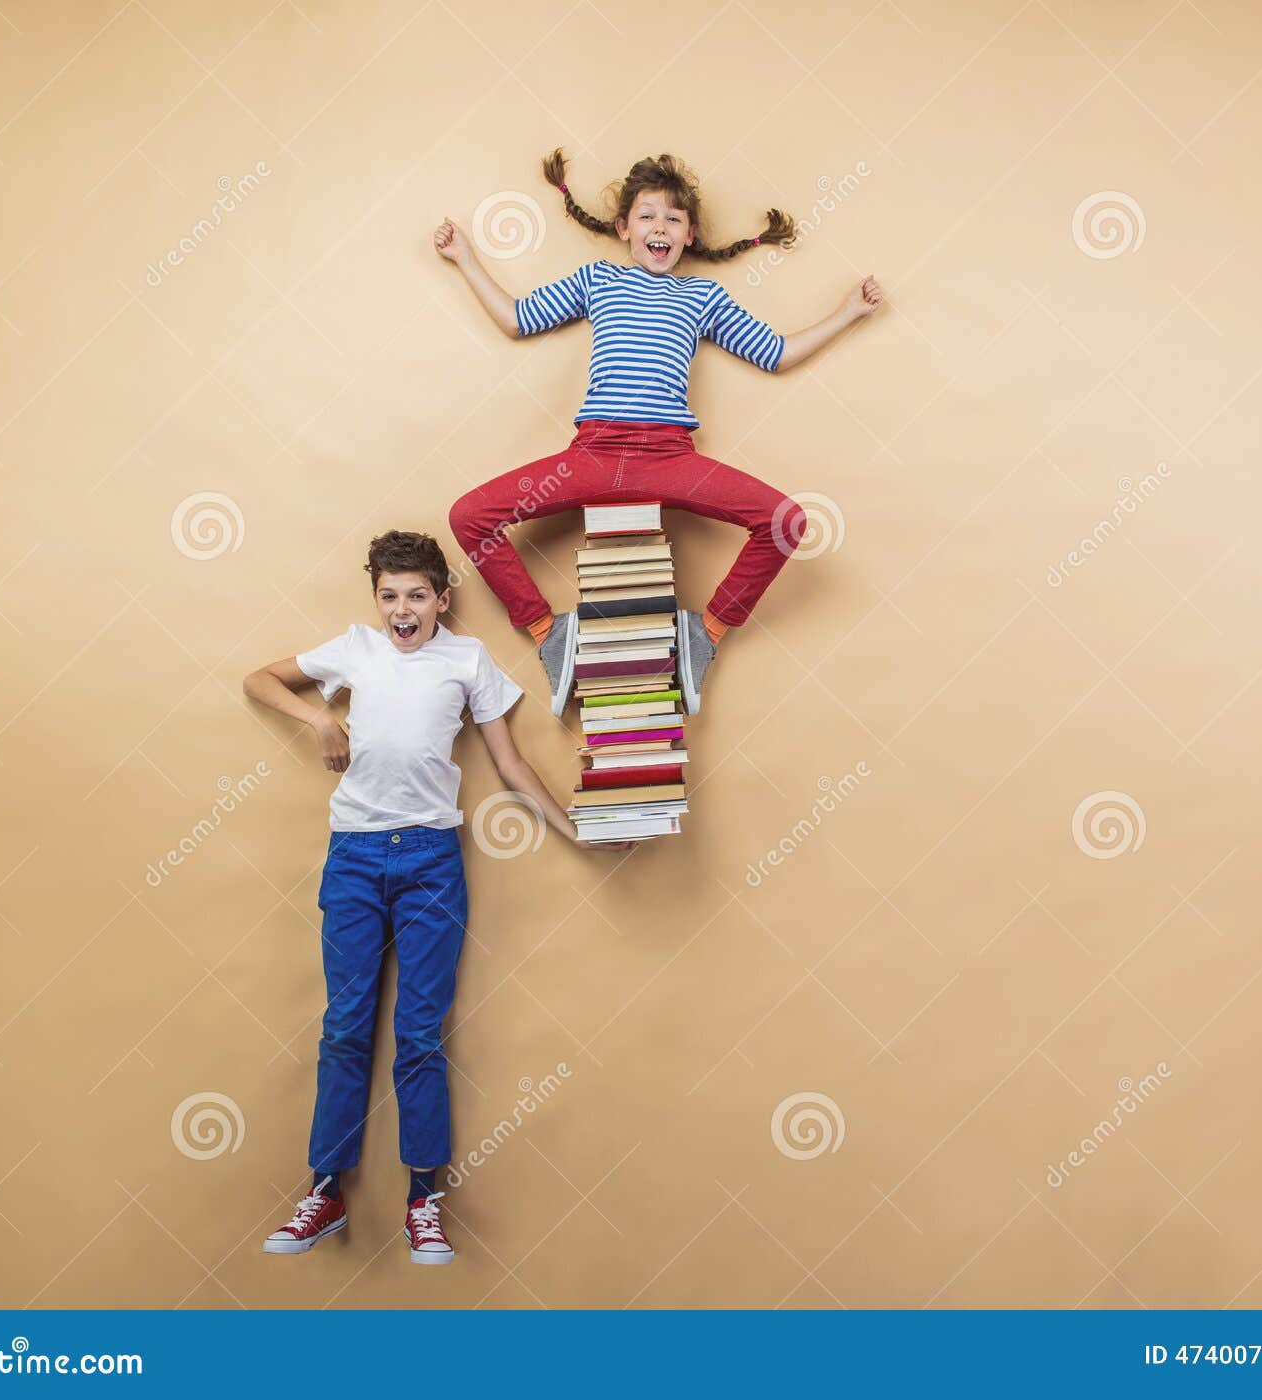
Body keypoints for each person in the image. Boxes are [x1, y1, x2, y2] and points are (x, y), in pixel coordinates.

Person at [242, 529, 629, 1265]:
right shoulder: (354, 649)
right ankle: (325, 1191)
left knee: (419, 1035)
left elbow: (509, 761)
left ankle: (425, 1199)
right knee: (346, 1027)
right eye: (389, 596)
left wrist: (575, 832)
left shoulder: (466, 660)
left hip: (430, 860)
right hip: (354, 856)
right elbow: (258, 679)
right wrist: (321, 716)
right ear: (377, 601)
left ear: (442, 599)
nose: (401, 609)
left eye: (416, 594)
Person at [441, 147, 883, 717]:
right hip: (594, 454)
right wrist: (465, 258)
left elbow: (775, 353)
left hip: (670, 457)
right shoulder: (597, 279)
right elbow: (518, 318)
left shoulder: (701, 296)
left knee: (786, 521)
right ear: (624, 228)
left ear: (689, 234)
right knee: (468, 515)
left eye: (674, 219)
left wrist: (847, 312)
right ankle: (551, 635)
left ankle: (706, 636)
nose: (660, 227)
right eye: (648, 216)